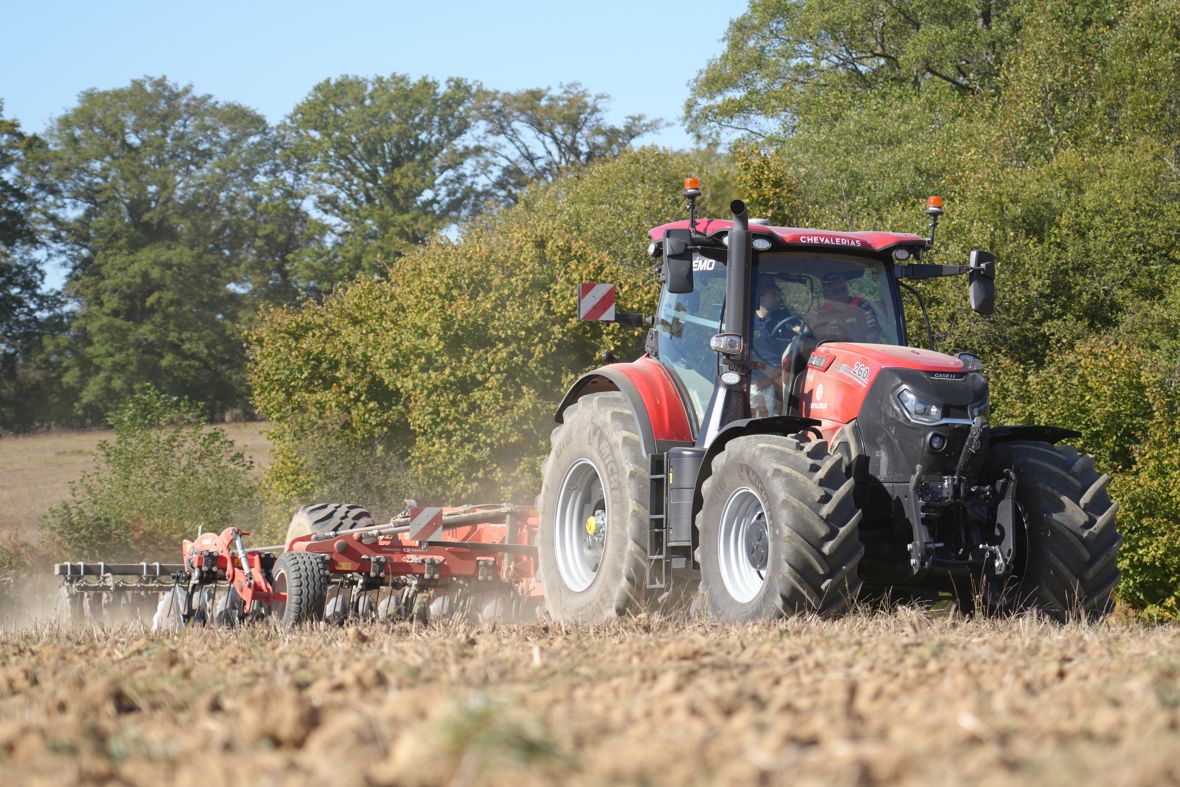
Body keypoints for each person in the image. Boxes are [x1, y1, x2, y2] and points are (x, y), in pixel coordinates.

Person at [749, 277, 793, 416]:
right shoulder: (747, 322)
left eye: (778, 294)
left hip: (782, 374)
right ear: (760, 296)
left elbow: (799, 332)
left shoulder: (782, 318)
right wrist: (765, 377)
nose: (778, 299)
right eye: (773, 294)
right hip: (757, 378)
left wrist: (771, 377)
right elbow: (746, 353)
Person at [816, 271, 882, 342]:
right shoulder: (823, 313)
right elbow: (817, 337)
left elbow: (873, 334)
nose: (840, 294)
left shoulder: (861, 305)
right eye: (835, 291)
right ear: (825, 294)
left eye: (843, 289)